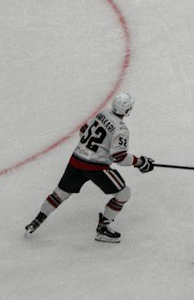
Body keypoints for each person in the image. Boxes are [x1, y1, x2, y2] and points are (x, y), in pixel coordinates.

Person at [25, 91, 154, 245]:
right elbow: (120, 157)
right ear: (126, 111)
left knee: (60, 194)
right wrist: (140, 162)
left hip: (76, 159)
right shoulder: (121, 129)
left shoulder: (103, 113)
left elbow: (82, 131)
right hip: (95, 167)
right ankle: (103, 229)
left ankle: (36, 221)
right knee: (124, 193)